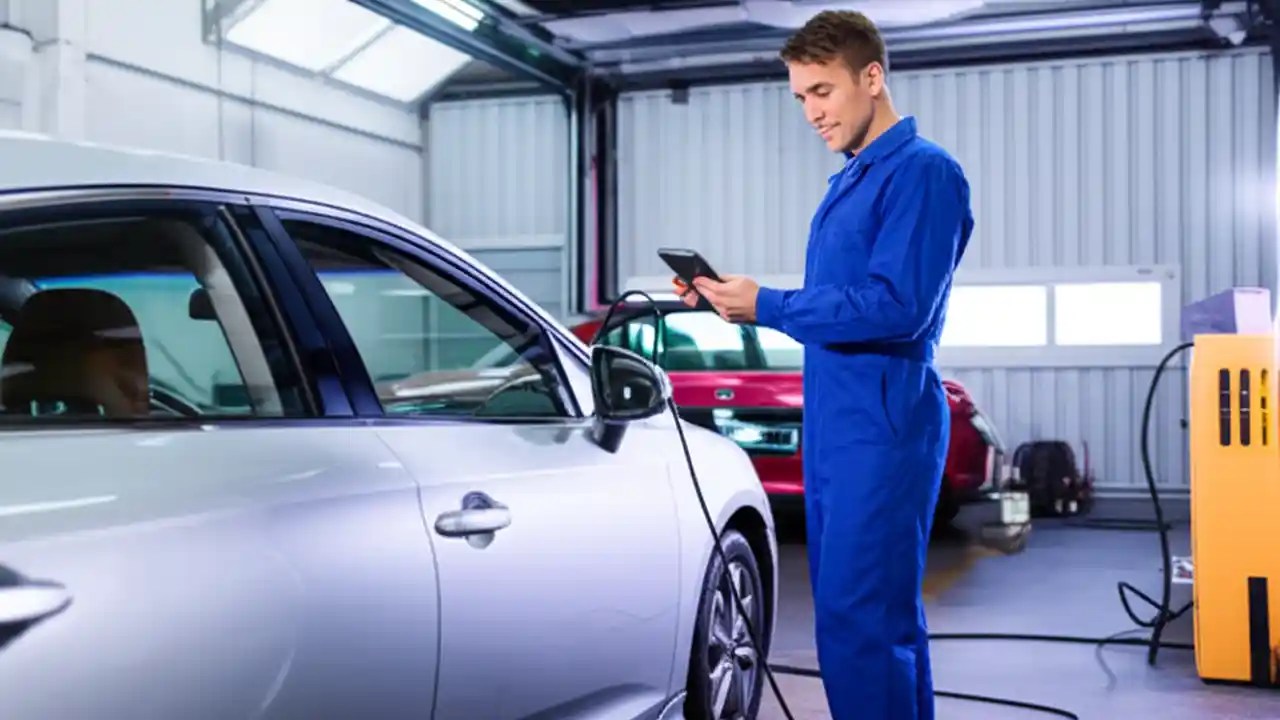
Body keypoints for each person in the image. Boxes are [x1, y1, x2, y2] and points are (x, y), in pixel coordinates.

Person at [672, 10, 974, 720]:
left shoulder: (923, 173)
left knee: (861, 620)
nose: (811, 112)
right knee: (872, 618)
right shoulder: (853, 179)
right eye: (801, 97)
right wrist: (731, 302)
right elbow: (842, 299)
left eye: (822, 92)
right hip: (841, 421)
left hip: (883, 421)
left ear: (872, 78)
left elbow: (897, 306)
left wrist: (770, 304)